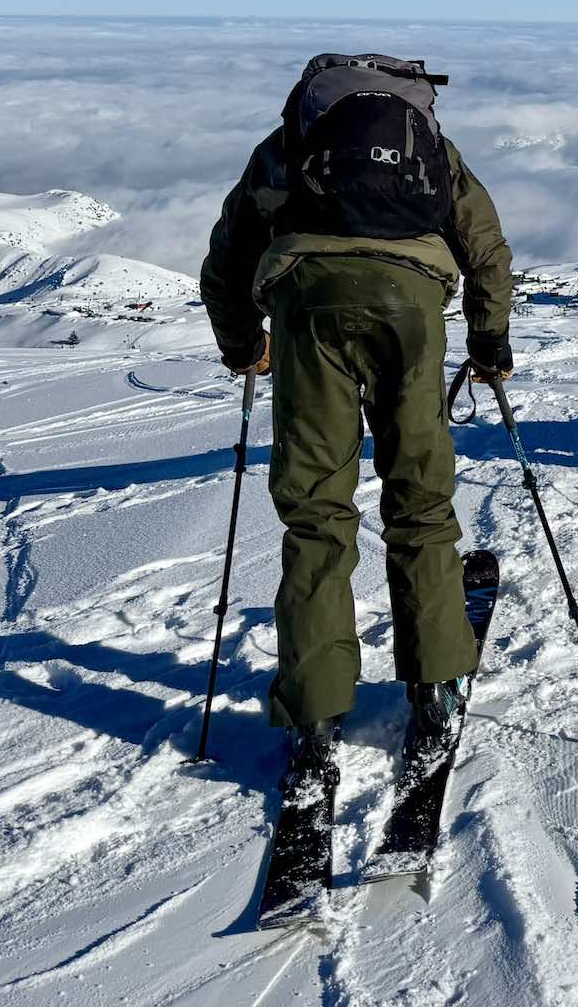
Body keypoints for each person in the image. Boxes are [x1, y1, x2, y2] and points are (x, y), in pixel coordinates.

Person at [199, 53, 515, 780]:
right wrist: (489, 342)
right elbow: (487, 250)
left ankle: (313, 714)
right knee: (421, 500)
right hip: (411, 308)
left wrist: (244, 346)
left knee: (316, 513)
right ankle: (433, 688)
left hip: (308, 305)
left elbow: (227, 259)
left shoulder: (284, 148)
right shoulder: (433, 150)